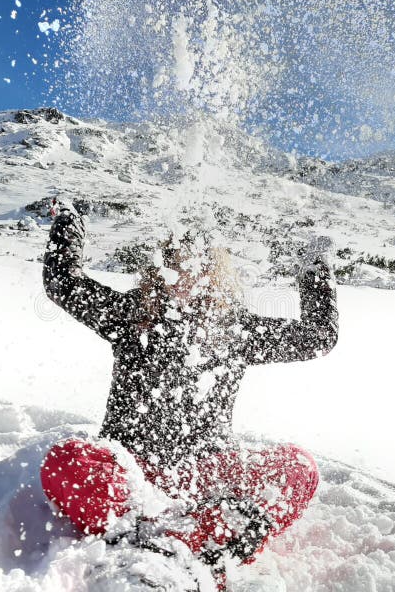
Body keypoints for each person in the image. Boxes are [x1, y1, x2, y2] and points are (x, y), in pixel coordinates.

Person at [39, 198, 338, 587]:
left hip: (207, 475)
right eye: (175, 264)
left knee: (298, 468)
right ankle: (141, 529)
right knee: (67, 460)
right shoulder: (131, 316)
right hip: (131, 473)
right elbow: (62, 281)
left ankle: (201, 535)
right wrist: (69, 221)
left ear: (219, 274)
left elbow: (319, 337)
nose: (187, 276)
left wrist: (315, 264)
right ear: (158, 271)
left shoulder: (236, 330)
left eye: (201, 267)